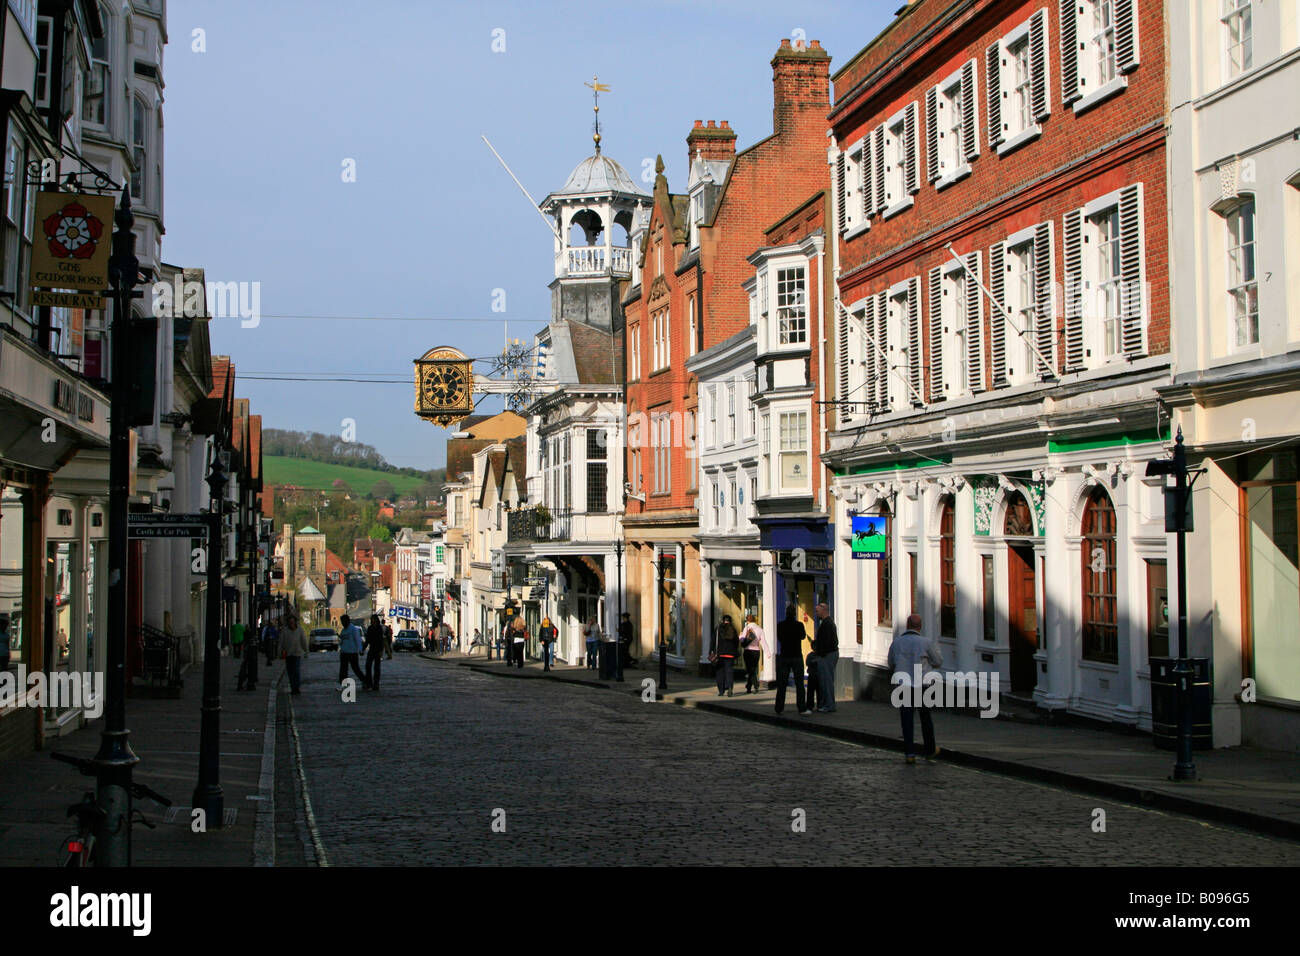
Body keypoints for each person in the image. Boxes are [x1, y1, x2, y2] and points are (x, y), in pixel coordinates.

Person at [888, 613, 943, 763]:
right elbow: (937, 661)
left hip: (903, 685)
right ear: (920, 626)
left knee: (906, 719)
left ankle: (909, 754)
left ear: (907, 625)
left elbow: (891, 663)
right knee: (925, 718)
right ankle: (930, 750)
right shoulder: (925, 642)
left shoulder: (897, 642)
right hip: (922, 685)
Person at [774, 606, 808, 715]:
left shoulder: (780, 625)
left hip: (784, 655)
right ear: (794, 614)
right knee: (799, 683)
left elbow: (779, 637)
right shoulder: (799, 625)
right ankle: (801, 707)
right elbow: (803, 636)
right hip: (796, 655)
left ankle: (779, 707)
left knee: (782, 683)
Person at [813, 603, 839, 713]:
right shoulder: (827, 623)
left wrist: (820, 652)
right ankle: (826, 703)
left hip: (828, 655)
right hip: (827, 654)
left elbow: (829, 642)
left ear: (824, 610)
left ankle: (829, 705)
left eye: (817, 611)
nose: (816, 613)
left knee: (827, 681)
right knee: (824, 680)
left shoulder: (828, 624)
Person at [338, 614, 370, 690]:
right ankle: (343, 684)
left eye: (344, 621)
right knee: (343, 670)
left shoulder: (353, 629)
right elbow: (342, 640)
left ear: (347, 621)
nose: (343, 623)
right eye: (342, 622)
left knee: (355, 668)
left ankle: (365, 681)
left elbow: (358, 640)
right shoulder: (343, 630)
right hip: (344, 652)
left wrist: (360, 650)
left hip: (352, 653)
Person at [279, 613, 308, 695]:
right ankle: (293, 687)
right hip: (288, 654)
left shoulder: (300, 630)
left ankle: (297, 687)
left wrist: (306, 651)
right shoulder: (285, 631)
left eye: (292, 622)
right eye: (290, 622)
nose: (291, 624)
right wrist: (279, 652)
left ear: (295, 622)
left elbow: (304, 641)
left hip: (297, 653)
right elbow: (281, 642)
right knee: (290, 672)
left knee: (296, 671)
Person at [739, 612, 767, 693]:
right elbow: (763, 642)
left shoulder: (747, 628)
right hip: (757, 652)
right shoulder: (760, 629)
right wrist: (768, 653)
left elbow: (742, 639)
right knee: (753, 669)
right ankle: (748, 686)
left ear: (747, 621)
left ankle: (755, 684)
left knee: (750, 669)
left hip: (748, 651)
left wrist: (740, 636)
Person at [713, 615, 740, 697]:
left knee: (720, 672)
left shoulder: (718, 629)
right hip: (730, 654)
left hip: (720, 654)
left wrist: (711, 651)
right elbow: (736, 642)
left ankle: (721, 691)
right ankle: (730, 687)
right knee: (729, 672)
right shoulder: (733, 629)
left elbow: (713, 640)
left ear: (723, 620)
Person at [364, 614, 386, 690]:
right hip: (371, 649)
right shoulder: (370, 628)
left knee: (377, 668)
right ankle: (369, 683)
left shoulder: (379, 629)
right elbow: (367, 640)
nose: (372, 621)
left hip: (377, 650)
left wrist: (381, 651)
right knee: (368, 666)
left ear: (376, 620)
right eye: (371, 619)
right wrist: (363, 649)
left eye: (373, 619)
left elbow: (381, 640)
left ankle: (376, 684)